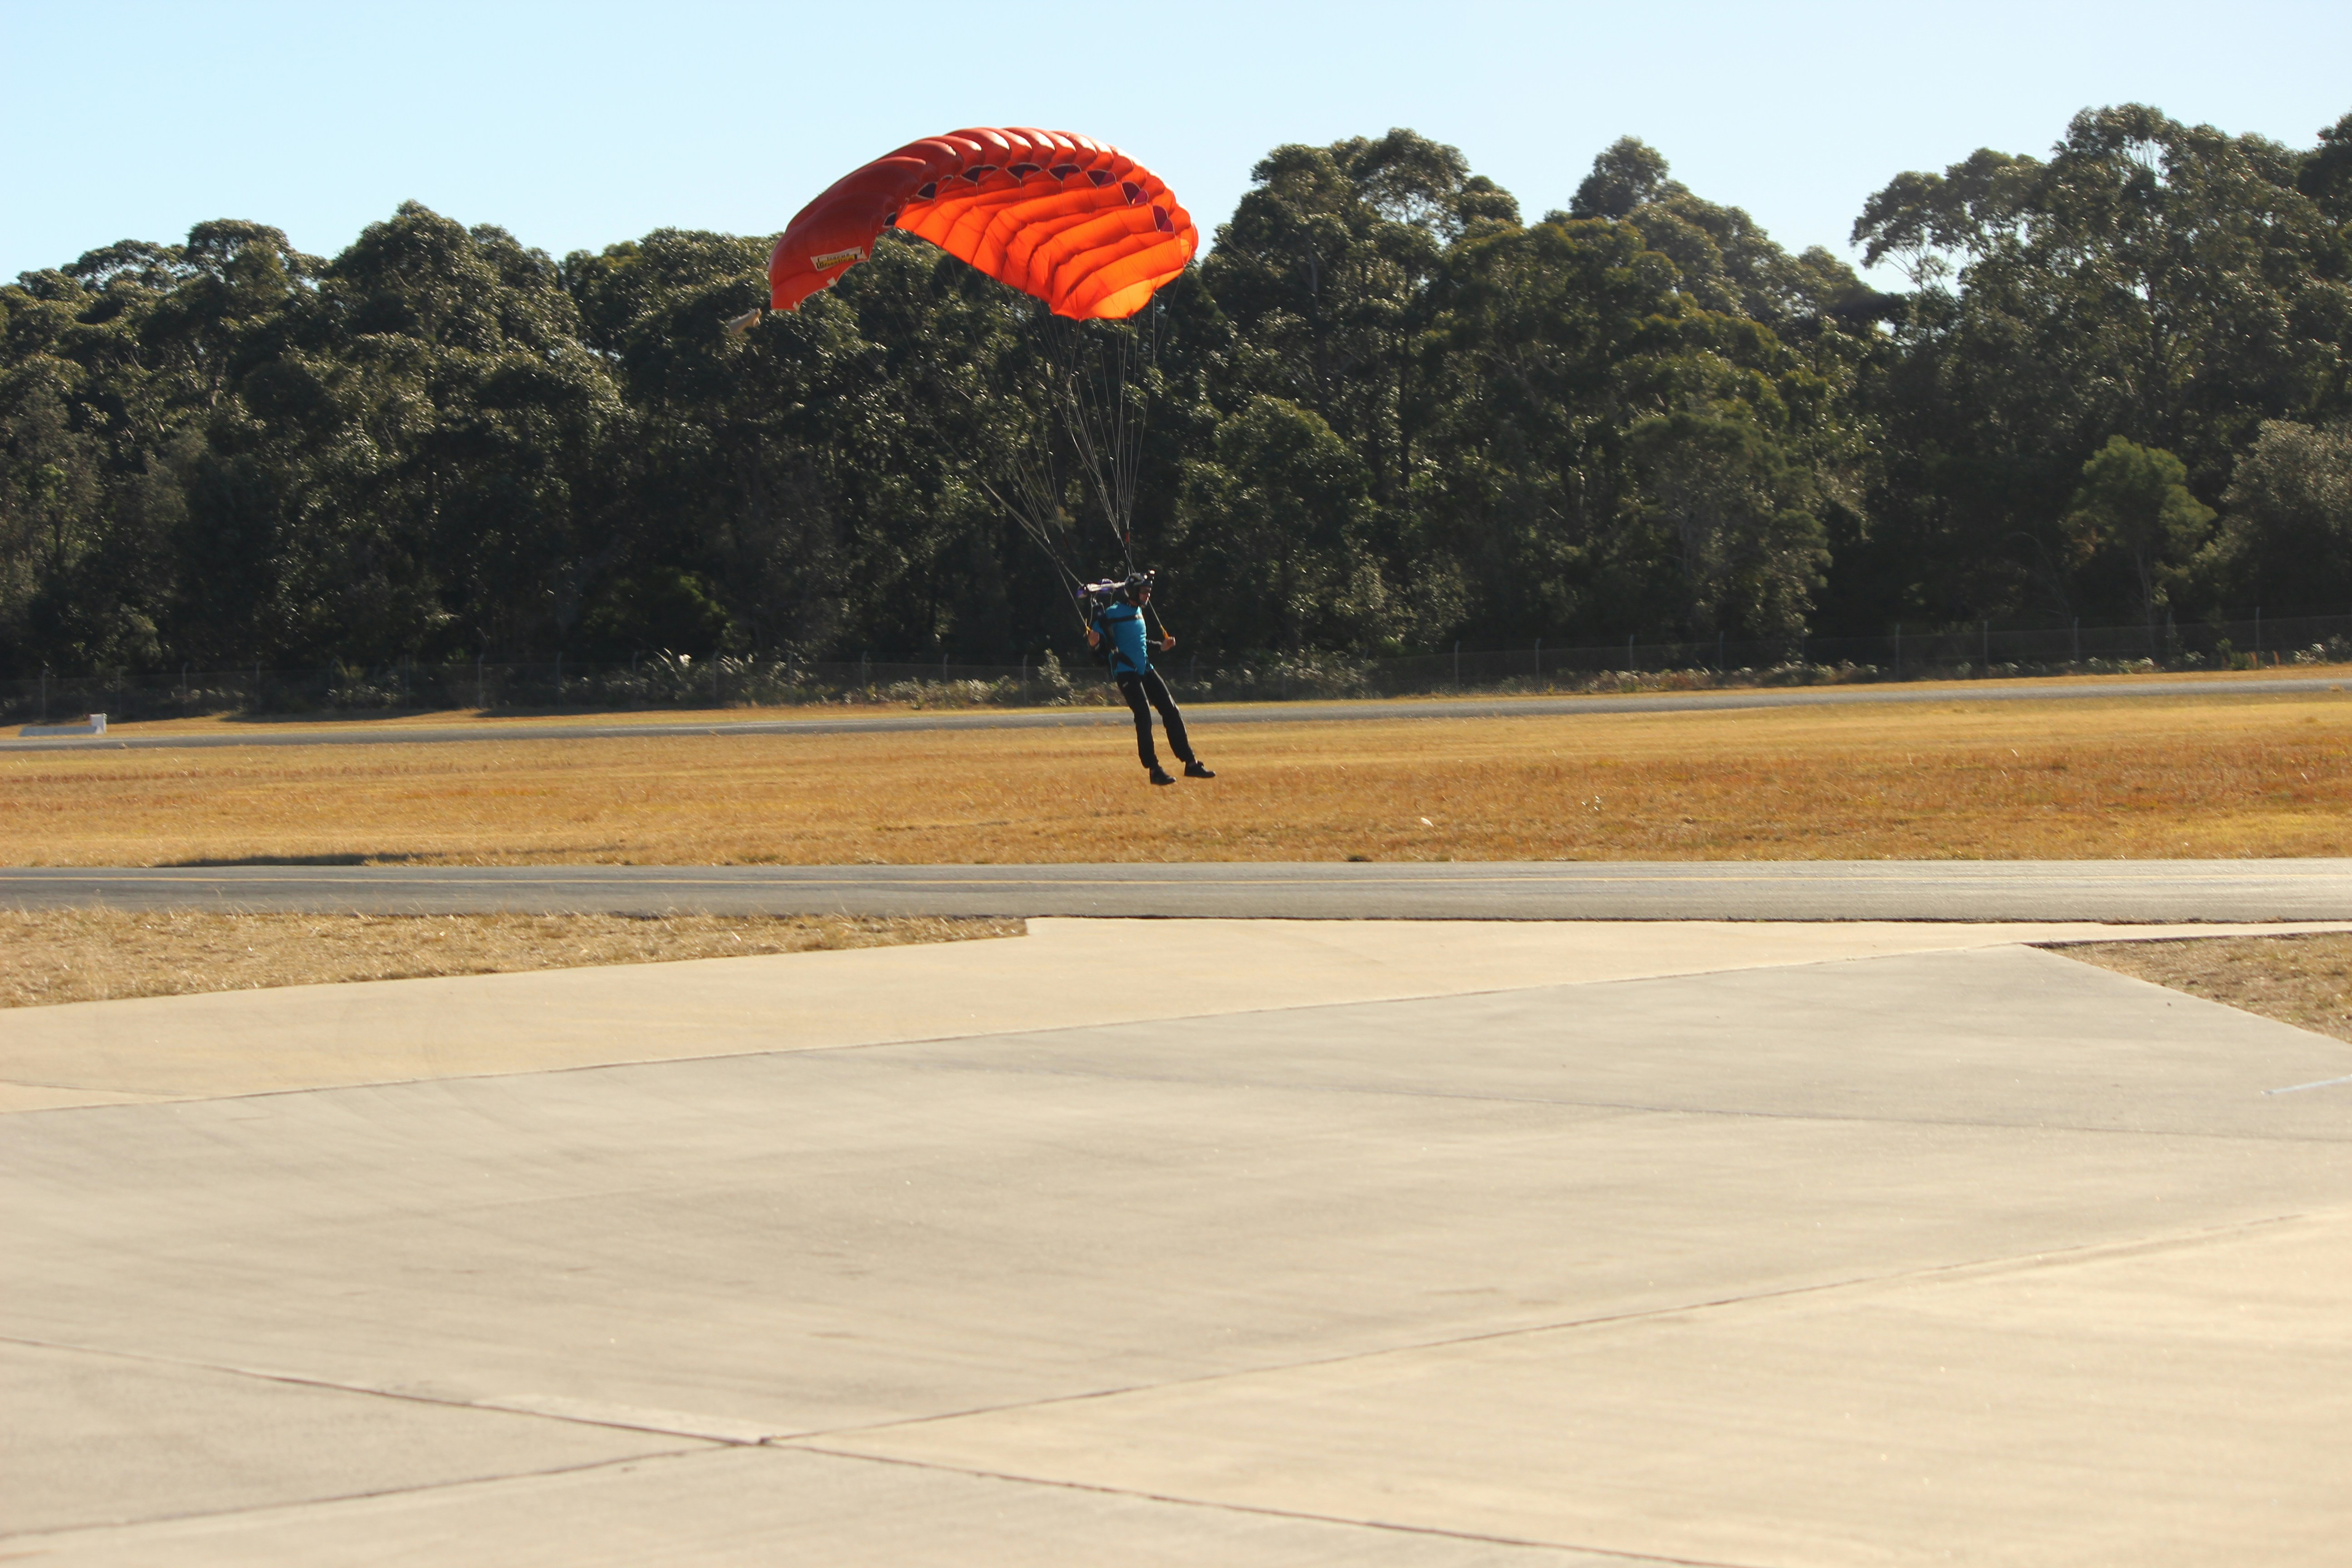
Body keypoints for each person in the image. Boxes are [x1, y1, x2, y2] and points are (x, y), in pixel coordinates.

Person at [1087, 574, 1213, 786]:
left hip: (1146, 668)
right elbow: (1097, 644)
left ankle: (1191, 764)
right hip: (1126, 671)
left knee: (1171, 710)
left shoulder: (1138, 611)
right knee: (1143, 715)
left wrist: (1160, 647)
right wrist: (1093, 642)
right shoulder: (1113, 613)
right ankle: (1154, 770)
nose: (1148, 595)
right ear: (1134, 592)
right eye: (1144, 592)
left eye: (1149, 592)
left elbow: (1139, 643)